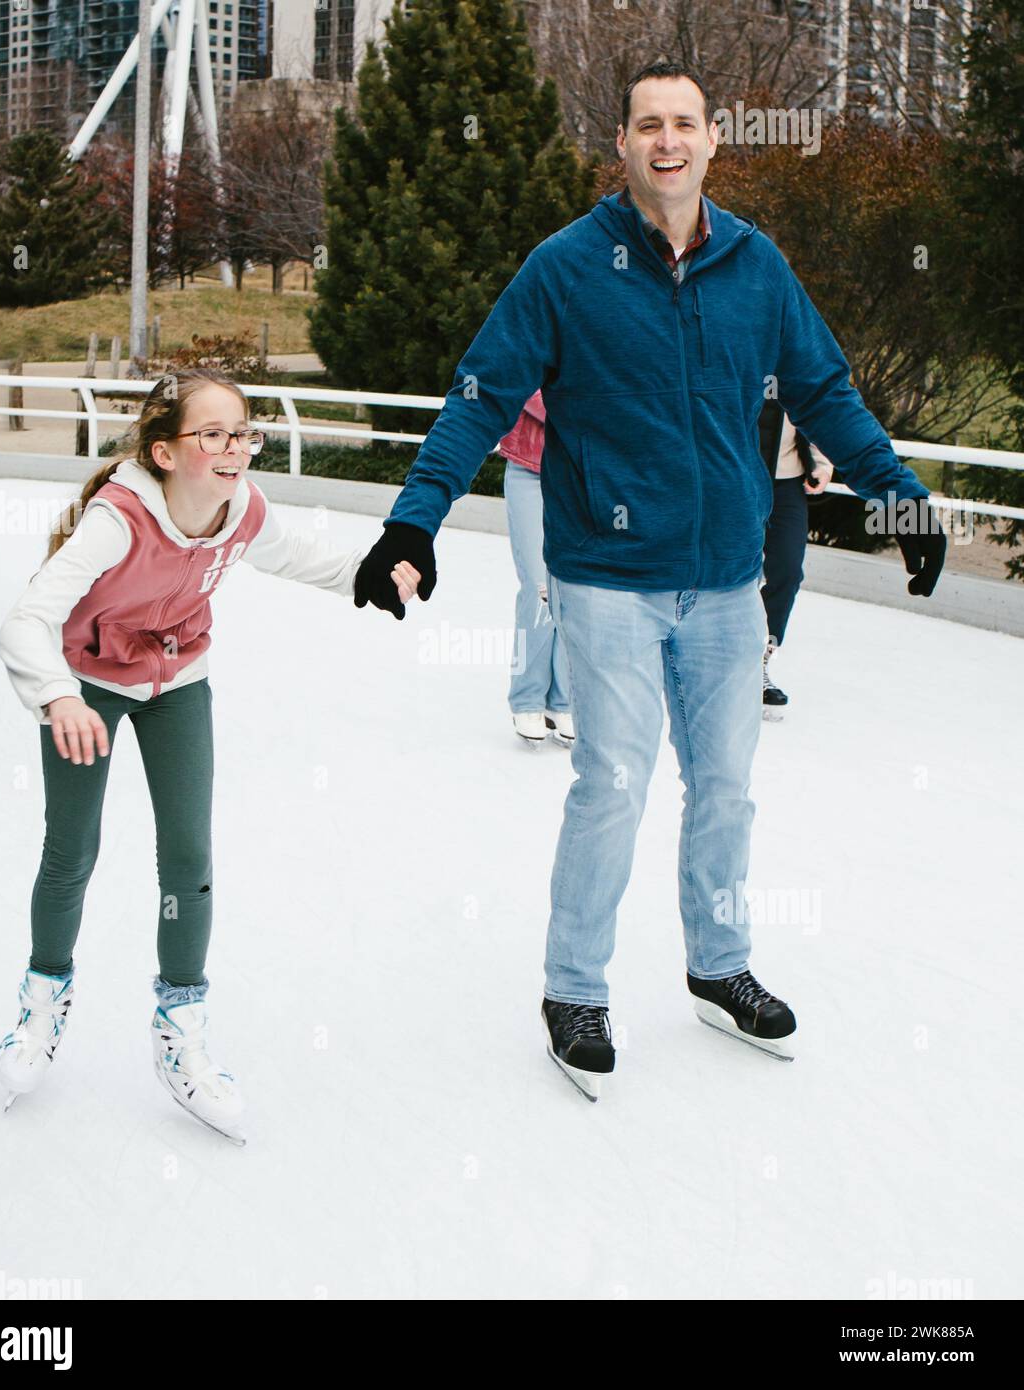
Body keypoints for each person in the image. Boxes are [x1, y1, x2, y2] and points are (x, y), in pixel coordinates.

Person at [351, 62, 945, 1098]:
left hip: (724, 582)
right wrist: (413, 521)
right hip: (607, 580)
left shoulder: (756, 267)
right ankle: (572, 988)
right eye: (645, 125)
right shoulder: (564, 268)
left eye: (683, 124)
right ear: (619, 145)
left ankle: (718, 968)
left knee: (723, 790)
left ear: (713, 139)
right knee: (612, 784)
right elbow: (479, 398)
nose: (665, 140)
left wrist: (898, 500)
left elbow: (825, 391)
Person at [0, 367, 418, 1141]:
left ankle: (180, 1026)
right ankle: (41, 1002)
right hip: (85, 682)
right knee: (71, 851)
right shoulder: (116, 519)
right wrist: (56, 696)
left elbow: (292, 554)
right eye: (214, 434)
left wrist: (367, 577)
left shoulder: (241, 507)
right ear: (163, 451)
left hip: (179, 678)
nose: (235, 449)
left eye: (244, 432)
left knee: (188, 856)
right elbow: (24, 620)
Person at [498, 389, 574, 747]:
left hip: (581, 475)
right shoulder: (533, 330)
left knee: (574, 585)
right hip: (529, 468)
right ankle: (527, 697)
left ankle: (564, 699)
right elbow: (525, 383)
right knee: (538, 586)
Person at [757, 400, 834, 717]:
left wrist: (822, 465)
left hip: (789, 486)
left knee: (787, 573)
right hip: (739, 476)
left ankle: (759, 664)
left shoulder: (800, 355)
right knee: (732, 573)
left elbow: (822, 412)